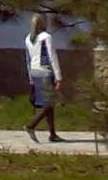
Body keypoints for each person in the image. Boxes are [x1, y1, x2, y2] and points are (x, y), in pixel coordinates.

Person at [24, 13, 64, 142]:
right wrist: (58, 76)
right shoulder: (46, 37)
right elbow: (52, 57)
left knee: (49, 104)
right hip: (45, 72)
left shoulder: (28, 38)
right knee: (49, 104)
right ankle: (31, 125)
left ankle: (52, 134)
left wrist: (30, 77)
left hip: (35, 72)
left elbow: (28, 59)